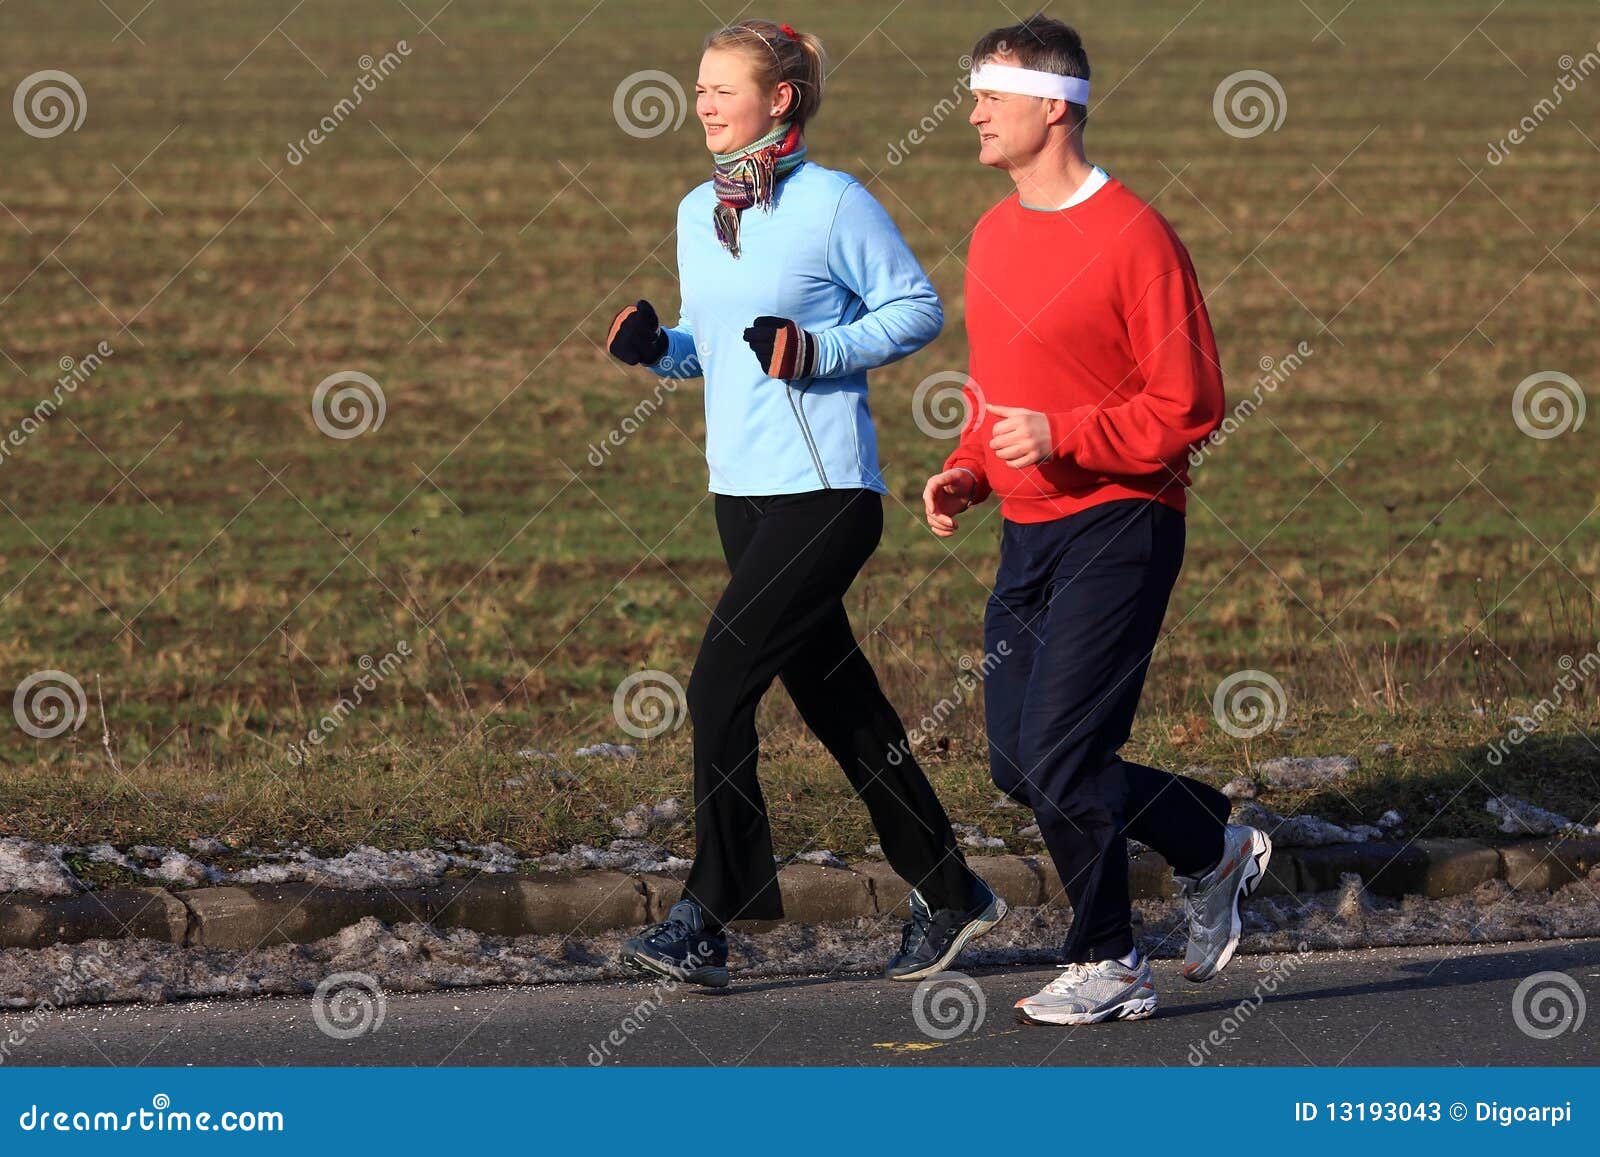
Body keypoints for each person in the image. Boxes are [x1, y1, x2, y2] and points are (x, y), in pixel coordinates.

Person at [607, 18, 1004, 989]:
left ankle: (712, 907)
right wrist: (657, 348)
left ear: (779, 98)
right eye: (696, 87)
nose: (700, 103)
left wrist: (820, 352)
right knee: (844, 708)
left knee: (715, 688)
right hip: (738, 497)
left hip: (824, 496)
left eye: (719, 87)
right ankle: (950, 889)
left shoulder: (833, 203)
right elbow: (707, 340)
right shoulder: (701, 208)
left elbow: (915, 307)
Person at [922, 14, 1272, 1025]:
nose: (973, 110)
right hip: (1027, 529)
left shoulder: (1134, 237)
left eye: (989, 93)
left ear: (1051, 106)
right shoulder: (992, 231)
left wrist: (1066, 435)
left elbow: (1191, 406)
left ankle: (1110, 961)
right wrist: (967, 469)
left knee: (1064, 755)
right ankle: (1211, 842)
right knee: (1016, 759)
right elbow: (998, 394)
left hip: (1123, 522)